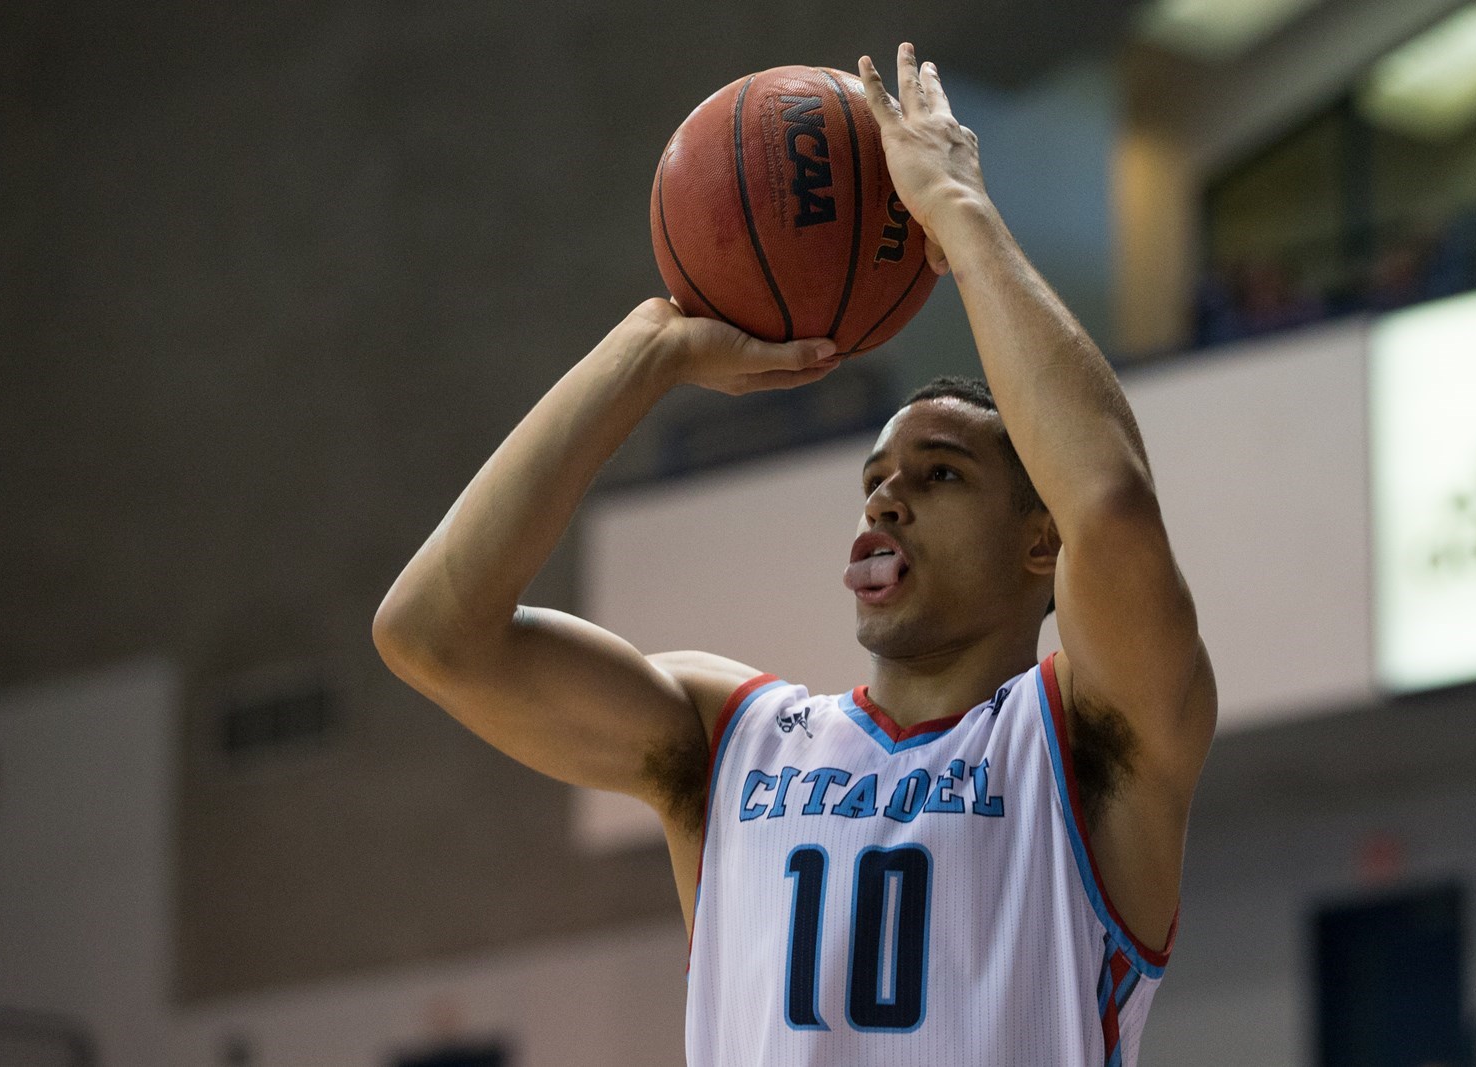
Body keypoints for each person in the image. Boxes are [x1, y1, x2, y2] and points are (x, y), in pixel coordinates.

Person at [373, 43, 1215, 1066]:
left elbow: (1112, 503)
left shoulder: (1087, 739)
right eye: (873, 480)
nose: (888, 497)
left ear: (1040, 540)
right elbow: (430, 632)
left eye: (939, 473)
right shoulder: (729, 744)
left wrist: (957, 212)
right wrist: (647, 353)